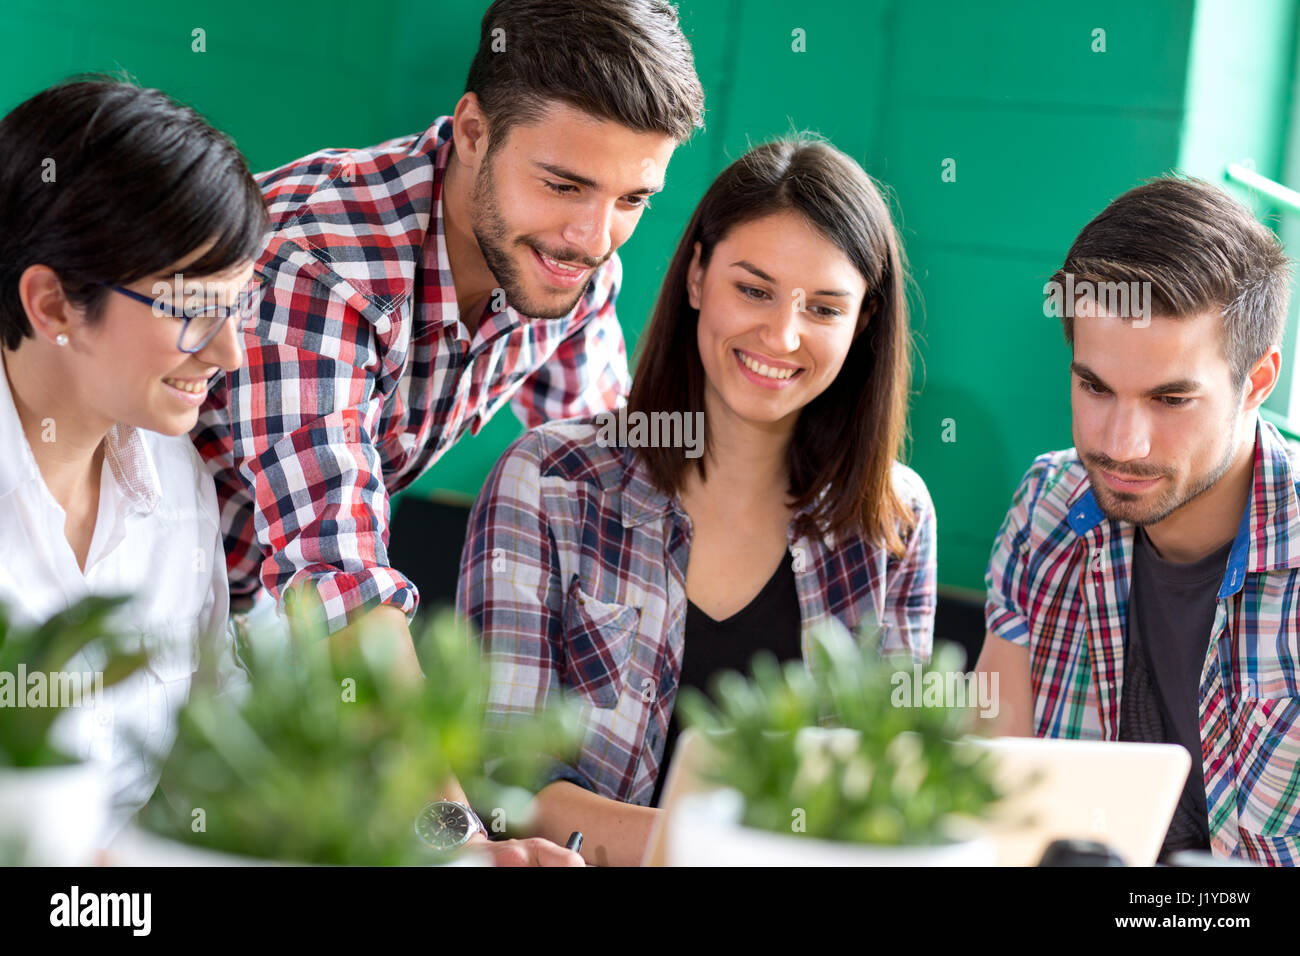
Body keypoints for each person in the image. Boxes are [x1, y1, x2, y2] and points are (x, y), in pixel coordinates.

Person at [189, 0, 704, 866]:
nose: (593, 238)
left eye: (633, 199)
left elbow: (619, 478)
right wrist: (457, 840)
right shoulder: (324, 265)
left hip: (272, 642)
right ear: (473, 129)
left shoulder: (569, 261)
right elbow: (343, 596)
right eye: (565, 184)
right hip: (138, 613)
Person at [458, 136, 938, 866]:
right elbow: (503, 782)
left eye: (824, 308)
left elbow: (887, 783)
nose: (782, 333)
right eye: (753, 289)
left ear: (864, 323)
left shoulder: (896, 519)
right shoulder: (551, 480)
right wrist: (718, 851)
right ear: (696, 277)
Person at [976, 176, 1300, 865]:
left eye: (1171, 398)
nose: (1122, 445)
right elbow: (989, 788)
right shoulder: (1050, 506)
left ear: (1260, 381)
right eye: (1094, 386)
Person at [0, 78, 262, 843]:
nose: (229, 353)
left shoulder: (175, 473)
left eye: (236, 306)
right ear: (50, 305)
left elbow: (219, 746)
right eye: (190, 310)